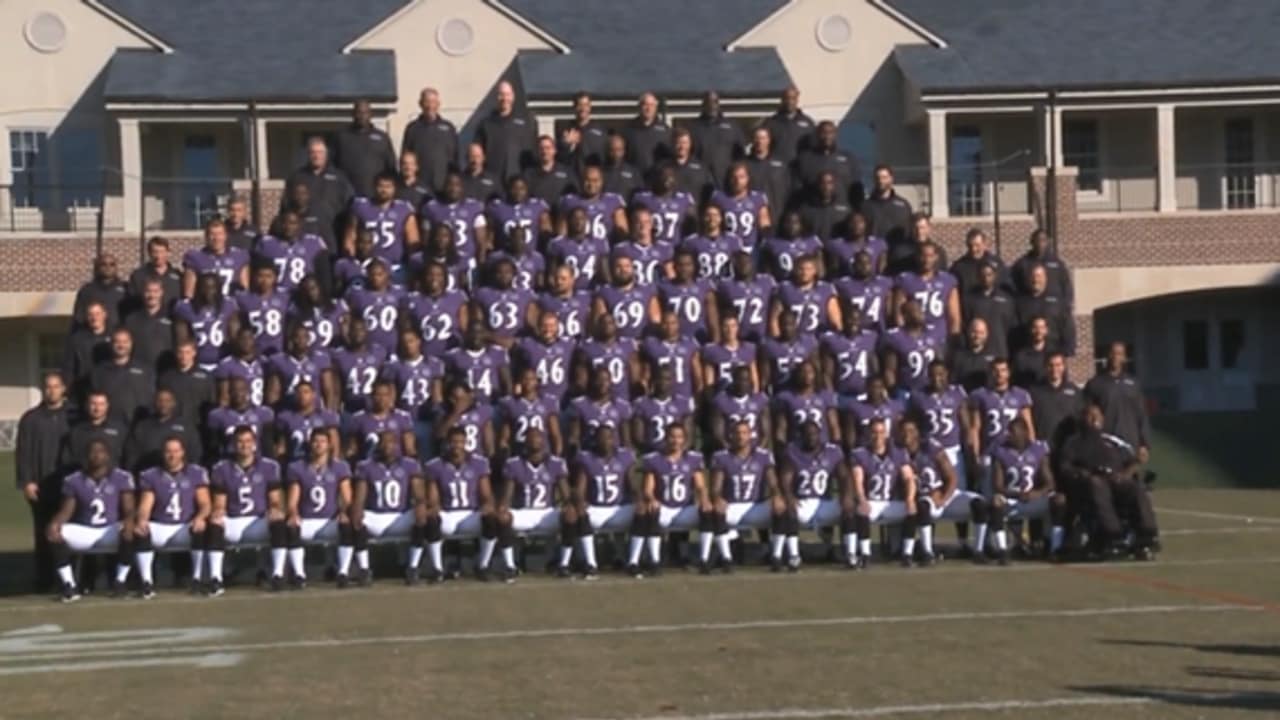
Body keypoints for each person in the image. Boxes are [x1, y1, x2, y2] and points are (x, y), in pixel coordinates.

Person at [1058, 403, 1159, 560]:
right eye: (1090, 416)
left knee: (1137, 488)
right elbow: (1065, 467)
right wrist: (1084, 474)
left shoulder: (1112, 441)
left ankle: (1147, 534)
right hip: (1091, 482)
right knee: (1098, 485)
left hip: (1116, 479)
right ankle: (1113, 534)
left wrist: (1126, 472)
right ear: (1083, 419)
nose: (1094, 419)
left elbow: (1132, 462)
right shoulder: (1074, 443)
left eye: (1097, 415)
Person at [45, 440, 136, 602]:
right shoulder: (74, 480)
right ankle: (69, 585)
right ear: (86, 456)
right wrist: (55, 523)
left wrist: (129, 521)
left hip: (110, 531)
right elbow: (66, 511)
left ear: (107, 455)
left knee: (132, 529)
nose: (96, 455)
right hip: (85, 530)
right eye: (92, 452)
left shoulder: (121, 477)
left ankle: (120, 582)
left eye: (100, 451)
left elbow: (129, 508)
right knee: (55, 532)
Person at [899, 418, 989, 565]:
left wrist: (943, 497)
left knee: (979, 503)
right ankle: (927, 552)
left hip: (944, 495)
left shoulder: (930, 446)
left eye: (910, 431)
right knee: (923, 506)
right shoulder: (897, 453)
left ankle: (979, 550)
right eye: (903, 431)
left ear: (917, 433)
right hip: (923, 499)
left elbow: (952, 477)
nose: (906, 435)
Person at [342, 431, 426, 587]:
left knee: (422, 517)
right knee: (355, 518)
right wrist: (357, 511)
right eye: (385, 442)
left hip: (401, 516)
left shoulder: (410, 465)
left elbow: (419, 494)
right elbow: (360, 497)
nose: (389, 446)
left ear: (398, 445)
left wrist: (420, 507)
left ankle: (413, 567)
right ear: (378, 445)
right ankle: (364, 569)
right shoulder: (365, 466)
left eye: (392, 442)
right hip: (376, 515)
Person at [15, 372, 72, 593]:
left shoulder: (73, 416)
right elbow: (23, 453)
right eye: (48, 387)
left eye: (56, 386)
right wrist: (27, 481)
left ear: (63, 389)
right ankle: (44, 579)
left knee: (68, 532)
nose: (52, 391)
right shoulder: (31, 419)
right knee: (43, 533)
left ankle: (70, 578)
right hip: (41, 486)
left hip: (68, 486)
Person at [133, 437, 211, 598]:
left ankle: (197, 578)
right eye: (168, 451)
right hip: (161, 525)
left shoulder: (195, 473)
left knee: (202, 528)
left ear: (182, 452)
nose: (172, 455)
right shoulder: (152, 475)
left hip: (185, 526)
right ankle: (146, 582)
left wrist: (200, 517)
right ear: (163, 454)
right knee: (141, 531)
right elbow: (145, 505)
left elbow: (205, 503)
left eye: (176, 451)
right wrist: (142, 520)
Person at [632, 424, 706, 576]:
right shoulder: (654, 459)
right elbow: (647, 489)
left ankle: (705, 560)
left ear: (684, 439)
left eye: (679, 437)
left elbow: (700, 486)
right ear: (666, 438)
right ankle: (654, 561)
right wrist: (652, 499)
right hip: (664, 507)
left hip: (685, 508)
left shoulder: (692, 459)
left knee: (709, 512)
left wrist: (704, 499)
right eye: (672, 436)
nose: (675, 440)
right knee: (650, 511)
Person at [423, 427, 496, 581]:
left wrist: (487, 505)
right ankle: (438, 569)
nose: (457, 445)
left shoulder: (478, 463)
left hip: (471, 513)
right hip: (448, 514)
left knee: (491, 519)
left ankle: (483, 565)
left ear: (466, 443)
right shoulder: (435, 465)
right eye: (454, 442)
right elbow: (433, 496)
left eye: (461, 442)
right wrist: (434, 507)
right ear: (447, 443)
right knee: (431, 520)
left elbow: (486, 493)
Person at [282, 430, 352, 588]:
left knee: (348, 524)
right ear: (310, 444)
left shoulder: (339, 467)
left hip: (330, 521)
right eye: (315, 441)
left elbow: (347, 498)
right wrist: (293, 513)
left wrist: (344, 512)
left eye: (322, 441)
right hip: (307, 520)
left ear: (329, 445)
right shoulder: (297, 467)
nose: (319, 444)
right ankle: (299, 574)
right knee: (291, 527)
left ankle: (343, 572)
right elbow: (292, 501)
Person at [990, 416, 1066, 562]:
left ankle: (1056, 548)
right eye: (1009, 431)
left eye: (1013, 431)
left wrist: (1036, 493)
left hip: (1034, 499)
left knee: (1059, 500)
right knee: (996, 502)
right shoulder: (1000, 452)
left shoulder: (1038, 450)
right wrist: (1016, 494)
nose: (1009, 435)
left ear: (1025, 432)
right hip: (1013, 500)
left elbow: (1050, 483)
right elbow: (997, 486)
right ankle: (1003, 551)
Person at [843, 418, 915, 568]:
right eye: (874, 432)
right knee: (861, 512)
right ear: (869, 434)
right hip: (872, 502)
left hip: (891, 502)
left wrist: (909, 499)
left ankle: (907, 554)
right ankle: (865, 554)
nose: (878, 436)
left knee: (913, 511)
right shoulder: (860, 454)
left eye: (881, 432)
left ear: (887, 434)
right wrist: (862, 499)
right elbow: (858, 479)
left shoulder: (899, 453)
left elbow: (909, 478)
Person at [500, 428, 571, 578]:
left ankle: (563, 564)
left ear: (544, 441)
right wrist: (503, 507)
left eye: (538, 437)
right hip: (523, 512)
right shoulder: (514, 463)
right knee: (503, 517)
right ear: (524, 442)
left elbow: (566, 495)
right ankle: (510, 565)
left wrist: (569, 506)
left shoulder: (556, 463)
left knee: (571, 515)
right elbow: (507, 495)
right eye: (530, 438)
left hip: (547, 512)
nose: (534, 441)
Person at [778, 421, 845, 568]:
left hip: (824, 501)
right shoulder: (792, 453)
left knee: (849, 508)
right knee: (786, 509)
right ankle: (793, 554)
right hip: (802, 502)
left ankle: (846, 551)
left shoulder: (832, 452)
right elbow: (785, 479)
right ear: (800, 436)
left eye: (814, 434)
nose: (811, 437)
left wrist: (846, 495)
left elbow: (844, 476)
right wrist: (789, 496)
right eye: (807, 434)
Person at [710, 420, 775, 562]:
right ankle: (724, 555)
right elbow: (715, 488)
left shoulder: (763, 456)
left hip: (756, 506)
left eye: (745, 433)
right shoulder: (721, 457)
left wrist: (777, 496)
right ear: (731, 435)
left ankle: (777, 553)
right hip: (731, 505)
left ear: (751, 435)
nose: (741, 436)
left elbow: (773, 483)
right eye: (737, 433)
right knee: (712, 510)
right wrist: (716, 498)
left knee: (781, 508)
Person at [967, 358, 1035, 495]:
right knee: (989, 496)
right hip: (990, 452)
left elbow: (1028, 425)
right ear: (990, 373)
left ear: (1009, 373)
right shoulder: (980, 395)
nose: (999, 374)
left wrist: (1032, 450)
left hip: (1015, 453)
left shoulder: (1020, 395)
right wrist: (975, 456)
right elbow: (975, 427)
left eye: (1003, 370)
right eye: (995, 371)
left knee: (1019, 492)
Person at [1084, 341, 1152, 463]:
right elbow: (1087, 415)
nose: (1116, 357)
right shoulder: (1095, 384)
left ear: (1125, 358)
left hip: (1130, 442)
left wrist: (1144, 444)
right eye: (1113, 353)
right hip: (1105, 443)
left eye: (1120, 354)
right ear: (1107, 355)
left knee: (1129, 480)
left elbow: (1141, 415)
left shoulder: (1133, 384)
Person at [382, 327, 445, 453]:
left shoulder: (432, 364)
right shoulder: (395, 366)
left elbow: (437, 394)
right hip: (404, 418)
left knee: (427, 454)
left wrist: (437, 415)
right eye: (404, 342)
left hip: (425, 419)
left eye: (410, 341)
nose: (407, 345)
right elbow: (392, 396)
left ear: (418, 341)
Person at [573, 425, 636, 541]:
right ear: (595, 440)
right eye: (601, 438)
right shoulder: (587, 458)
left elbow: (632, 485)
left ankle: (638, 558)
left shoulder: (624, 457)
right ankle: (588, 558)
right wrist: (580, 501)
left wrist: (640, 499)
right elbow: (580, 489)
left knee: (644, 510)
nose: (605, 441)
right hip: (595, 508)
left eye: (609, 437)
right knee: (576, 512)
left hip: (619, 508)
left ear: (614, 439)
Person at [350, 172, 420, 275]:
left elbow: (413, 241)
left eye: (388, 187)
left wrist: (412, 265)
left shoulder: (403, 209)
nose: (384, 190)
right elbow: (350, 236)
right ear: (374, 187)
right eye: (380, 186)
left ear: (395, 188)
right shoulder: (361, 206)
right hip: (367, 265)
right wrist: (353, 261)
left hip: (395, 266)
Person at [421, 172, 490, 270]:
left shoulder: (473, 207)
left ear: (462, 187)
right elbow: (426, 241)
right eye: (450, 184)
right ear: (444, 186)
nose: (453, 189)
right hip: (440, 262)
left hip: (468, 262)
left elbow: (481, 242)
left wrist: (481, 265)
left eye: (457, 185)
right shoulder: (431, 208)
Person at [893, 241, 960, 342]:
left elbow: (954, 316)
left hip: (939, 336)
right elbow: (899, 314)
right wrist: (905, 337)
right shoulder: (906, 280)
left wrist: (954, 339)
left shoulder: (947, 280)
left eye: (930, 256)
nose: (926, 260)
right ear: (917, 256)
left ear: (936, 257)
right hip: (914, 334)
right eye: (923, 256)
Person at [172, 272, 241, 371]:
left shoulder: (228, 305)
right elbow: (182, 341)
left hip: (222, 362)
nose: (209, 291)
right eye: (205, 287)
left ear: (219, 288)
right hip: (197, 364)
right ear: (198, 288)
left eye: (213, 287)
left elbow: (235, 337)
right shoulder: (185, 307)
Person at [124, 387, 203, 473]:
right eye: (160, 400)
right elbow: (132, 454)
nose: (163, 404)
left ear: (174, 403)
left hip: (180, 477)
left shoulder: (186, 426)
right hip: (149, 477)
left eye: (168, 401)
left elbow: (195, 453)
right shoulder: (142, 426)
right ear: (154, 403)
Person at [821, 303, 879, 417]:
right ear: (843, 319)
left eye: (857, 319)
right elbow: (827, 373)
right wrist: (832, 395)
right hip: (843, 395)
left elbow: (874, 367)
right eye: (850, 319)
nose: (853, 322)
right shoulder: (834, 341)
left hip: (864, 395)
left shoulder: (869, 338)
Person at [474, 80, 537, 183]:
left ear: (513, 97)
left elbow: (532, 151)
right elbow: (478, 152)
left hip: (518, 181)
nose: (504, 98)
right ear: (496, 97)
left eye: (507, 95)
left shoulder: (525, 123)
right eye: (501, 95)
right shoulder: (485, 124)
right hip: (493, 178)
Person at [401, 261, 469, 356]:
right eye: (430, 274)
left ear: (445, 278)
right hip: (425, 355)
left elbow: (464, 328)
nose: (434, 278)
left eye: (439, 275)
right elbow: (407, 330)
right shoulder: (413, 299)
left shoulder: (457, 297)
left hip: (452, 354)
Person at [1031, 352, 1084, 472]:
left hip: (1069, 451)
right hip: (1044, 450)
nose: (1054, 369)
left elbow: (1081, 420)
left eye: (1058, 365)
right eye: (1051, 365)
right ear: (1045, 367)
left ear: (1063, 367)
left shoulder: (1074, 392)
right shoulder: (1034, 392)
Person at [400, 87, 458, 195]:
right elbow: (405, 157)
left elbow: (455, 158)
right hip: (420, 187)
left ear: (438, 104)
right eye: (427, 102)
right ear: (420, 104)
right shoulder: (413, 128)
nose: (430, 106)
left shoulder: (448, 128)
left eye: (433, 102)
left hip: (443, 187)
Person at [265, 324, 338, 410]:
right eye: (297, 337)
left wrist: (328, 415)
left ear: (309, 339)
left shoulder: (320, 359)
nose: (301, 340)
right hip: (289, 410)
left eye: (304, 337)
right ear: (291, 339)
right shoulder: (279, 361)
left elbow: (329, 391)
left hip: (314, 411)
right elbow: (274, 393)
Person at [880, 299, 944, 396]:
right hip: (907, 392)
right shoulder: (895, 337)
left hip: (929, 392)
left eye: (920, 310)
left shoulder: (932, 333)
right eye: (916, 310)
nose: (921, 313)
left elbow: (940, 363)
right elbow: (890, 371)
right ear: (905, 316)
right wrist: (894, 393)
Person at [259, 208, 331, 294]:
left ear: (300, 225)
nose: (288, 227)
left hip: (304, 295)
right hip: (278, 295)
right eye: (285, 223)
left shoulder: (312, 242)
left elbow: (323, 273)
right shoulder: (267, 243)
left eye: (293, 223)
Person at [513, 311, 575, 408]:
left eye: (552, 326)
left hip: (563, 399)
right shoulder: (529, 344)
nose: (548, 329)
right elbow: (510, 344)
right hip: (538, 400)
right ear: (538, 327)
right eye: (544, 325)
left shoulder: (568, 344)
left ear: (558, 327)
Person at [772, 359, 840, 447]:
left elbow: (833, 424)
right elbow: (781, 426)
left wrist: (836, 443)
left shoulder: (825, 396)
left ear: (815, 374)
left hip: (822, 446)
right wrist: (781, 446)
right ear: (797, 375)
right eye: (803, 372)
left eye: (810, 372)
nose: (806, 375)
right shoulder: (786, 397)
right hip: (797, 446)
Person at [632, 365, 697, 455]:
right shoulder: (642, 404)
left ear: (673, 381)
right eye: (660, 378)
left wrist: (677, 454)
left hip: (677, 454)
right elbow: (638, 437)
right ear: (654, 380)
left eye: (667, 379)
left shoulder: (682, 403)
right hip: (652, 452)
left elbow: (689, 437)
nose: (663, 382)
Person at [497, 366, 562, 457]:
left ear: (536, 381)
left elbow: (555, 435)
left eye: (531, 379)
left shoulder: (547, 403)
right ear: (520, 381)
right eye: (525, 379)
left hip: (542, 454)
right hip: (519, 453)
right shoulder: (512, 404)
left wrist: (556, 455)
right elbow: (504, 437)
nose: (528, 382)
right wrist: (504, 451)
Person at [206, 377, 275, 462]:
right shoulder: (217, 415)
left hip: (256, 462)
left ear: (248, 391)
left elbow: (267, 444)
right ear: (229, 392)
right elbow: (213, 446)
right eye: (234, 390)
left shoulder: (262, 414)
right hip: (229, 462)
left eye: (241, 390)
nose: (238, 393)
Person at [593, 254, 661, 340]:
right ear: (612, 270)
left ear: (633, 268)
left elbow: (655, 321)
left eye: (627, 266)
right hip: (617, 345)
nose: (623, 270)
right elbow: (600, 322)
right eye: (619, 266)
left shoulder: (647, 290)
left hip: (642, 342)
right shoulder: (605, 292)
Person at [657, 249, 719, 342]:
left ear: (694, 266)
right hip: (675, 340)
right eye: (680, 265)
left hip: (700, 338)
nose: (684, 269)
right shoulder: (664, 287)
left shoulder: (704, 286)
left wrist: (715, 342)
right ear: (674, 266)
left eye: (688, 265)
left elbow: (712, 319)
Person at [344, 379, 414, 461]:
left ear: (390, 396)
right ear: (372, 396)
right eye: (378, 395)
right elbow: (353, 448)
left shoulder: (402, 417)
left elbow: (409, 449)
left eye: (385, 395)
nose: (382, 399)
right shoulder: (358, 418)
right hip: (369, 466)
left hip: (396, 465)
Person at [471, 256, 536, 344]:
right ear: (493, 274)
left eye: (507, 272)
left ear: (514, 274)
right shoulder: (483, 294)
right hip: (492, 342)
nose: (503, 276)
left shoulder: (525, 294)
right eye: (499, 272)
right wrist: (495, 339)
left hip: (518, 343)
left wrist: (518, 342)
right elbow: (478, 322)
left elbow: (533, 323)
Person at [793, 120, 861, 204]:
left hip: (843, 212)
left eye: (830, 132)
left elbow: (856, 189)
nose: (827, 136)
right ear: (817, 135)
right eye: (823, 132)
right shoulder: (805, 159)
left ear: (835, 134)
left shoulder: (848, 159)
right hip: (813, 210)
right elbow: (796, 189)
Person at [771, 255, 840, 336]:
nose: (805, 273)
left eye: (809, 269)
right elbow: (775, 318)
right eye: (801, 269)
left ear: (815, 270)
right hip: (794, 338)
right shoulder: (785, 288)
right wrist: (777, 339)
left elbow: (835, 319)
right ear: (795, 270)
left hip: (818, 337)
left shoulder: (825, 289)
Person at [1015, 264, 1075, 356]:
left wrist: (1068, 349)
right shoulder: (1021, 303)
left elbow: (1067, 325)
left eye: (1039, 276)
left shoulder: (1057, 302)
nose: (1036, 280)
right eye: (1033, 276)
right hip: (1028, 353)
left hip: (1054, 352)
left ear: (1045, 278)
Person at [569, 367, 634, 452]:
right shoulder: (580, 405)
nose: (603, 383)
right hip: (589, 455)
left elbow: (625, 440)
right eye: (599, 379)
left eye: (606, 380)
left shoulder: (621, 406)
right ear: (592, 381)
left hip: (613, 456)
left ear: (610, 382)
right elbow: (574, 437)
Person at [274, 380, 341, 464]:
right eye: (299, 393)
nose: (302, 396)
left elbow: (334, 444)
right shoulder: (286, 418)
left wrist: (334, 464)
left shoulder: (326, 417)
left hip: (321, 464)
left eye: (306, 392)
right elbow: (282, 446)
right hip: (296, 463)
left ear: (313, 394)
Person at [557, 165, 627, 243]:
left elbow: (623, 233)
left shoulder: (612, 200)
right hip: (576, 249)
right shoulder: (570, 201)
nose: (591, 184)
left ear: (602, 181)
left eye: (595, 180)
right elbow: (561, 236)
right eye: (588, 180)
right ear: (581, 181)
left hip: (606, 251)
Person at [183, 218, 251, 299]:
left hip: (231, 307)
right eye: (212, 234)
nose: (216, 238)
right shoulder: (195, 257)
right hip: (205, 306)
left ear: (225, 236)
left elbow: (245, 289)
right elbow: (189, 293)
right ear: (206, 236)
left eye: (219, 234)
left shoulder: (239, 255)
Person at [690, 91, 744, 191]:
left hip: (726, 183)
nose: (711, 105)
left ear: (719, 104)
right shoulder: (693, 128)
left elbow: (740, 156)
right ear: (703, 105)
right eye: (708, 102)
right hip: (700, 183)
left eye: (714, 101)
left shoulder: (732, 127)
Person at [443, 324, 510, 403]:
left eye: (479, 332)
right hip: (466, 406)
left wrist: (505, 402)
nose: (476, 335)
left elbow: (506, 382)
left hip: (492, 404)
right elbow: (447, 383)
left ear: (485, 334)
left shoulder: (496, 352)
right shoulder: (454, 356)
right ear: (466, 334)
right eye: (472, 332)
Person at [158, 339, 216, 431]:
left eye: (187, 352)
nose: (184, 356)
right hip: (173, 426)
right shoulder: (167, 377)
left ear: (194, 353)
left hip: (199, 427)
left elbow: (212, 402)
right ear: (176, 354)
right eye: (180, 352)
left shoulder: (206, 377)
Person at [710, 162, 770, 250]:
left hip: (751, 248)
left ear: (748, 178)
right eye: (734, 177)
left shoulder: (757, 198)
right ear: (729, 179)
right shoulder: (719, 198)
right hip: (727, 247)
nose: (737, 181)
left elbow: (764, 224)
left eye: (741, 177)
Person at [962, 261, 1016, 359]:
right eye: (983, 275)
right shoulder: (969, 299)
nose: (986, 278)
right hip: (976, 353)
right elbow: (965, 325)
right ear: (978, 276)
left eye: (989, 274)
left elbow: (1012, 328)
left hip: (1000, 351)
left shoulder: (1006, 300)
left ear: (995, 275)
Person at [709, 366, 770, 451]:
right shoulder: (721, 401)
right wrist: (733, 452)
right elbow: (718, 435)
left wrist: (757, 452)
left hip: (755, 448)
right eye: (740, 379)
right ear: (733, 380)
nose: (743, 383)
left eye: (746, 380)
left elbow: (766, 434)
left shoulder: (760, 400)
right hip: (730, 450)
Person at [631, 164, 696, 245]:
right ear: (657, 178)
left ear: (676, 178)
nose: (667, 179)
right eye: (664, 175)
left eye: (670, 176)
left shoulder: (684, 199)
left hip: (675, 247)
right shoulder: (643, 198)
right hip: (652, 246)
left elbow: (694, 225)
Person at [63, 300, 112, 406]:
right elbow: (69, 367)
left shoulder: (114, 338)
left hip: (108, 388)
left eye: (97, 314)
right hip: (83, 390)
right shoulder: (77, 340)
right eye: (91, 314)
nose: (94, 318)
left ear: (105, 315)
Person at [61, 391, 126, 470]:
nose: (97, 408)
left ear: (107, 406)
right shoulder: (76, 432)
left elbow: (127, 457)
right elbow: (67, 461)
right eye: (93, 404)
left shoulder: (119, 430)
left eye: (101, 404)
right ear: (87, 405)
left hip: (113, 479)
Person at [237, 261, 290, 357]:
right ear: (254, 277)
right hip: (254, 352)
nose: (264, 280)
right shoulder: (243, 298)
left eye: (268, 276)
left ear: (275, 278)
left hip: (277, 351)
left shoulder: (284, 297)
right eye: (260, 276)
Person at [759, 309, 818, 393]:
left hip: (802, 391)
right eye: (784, 325)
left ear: (795, 324)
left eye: (790, 324)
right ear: (779, 325)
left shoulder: (808, 343)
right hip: (780, 390)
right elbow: (765, 376)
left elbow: (816, 370)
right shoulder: (769, 346)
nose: (787, 328)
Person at [490, 175, 552, 254]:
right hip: (505, 255)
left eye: (522, 188)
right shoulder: (497, 207)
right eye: (514, 188)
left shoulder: (537, 206)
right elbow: (490, 234)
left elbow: (546, 232)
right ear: (508, 189)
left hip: (531, 255)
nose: (518, 192)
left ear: (527, 190)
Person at [702, 312, 761, 395]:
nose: (730, 330)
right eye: (726, 326)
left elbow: (754, 380)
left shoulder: (748, 349)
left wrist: (753, 397)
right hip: (722, 396)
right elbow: (709, 383)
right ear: (721, 328)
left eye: (733, 326)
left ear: (737, 327)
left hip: (743, 396)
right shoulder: (712, 350)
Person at [834, 251, 893, 332]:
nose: (864, 266)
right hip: (855, 330)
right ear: (854, 265)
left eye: (867, 263)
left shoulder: (884, 283)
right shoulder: (842, 285)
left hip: (877, 330)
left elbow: (889, 309)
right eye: (860, 263)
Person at [614, 207, 673, 287]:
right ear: (632, 224)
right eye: (638, 222)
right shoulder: (622, 249)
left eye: (646, 222)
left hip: (658, 293)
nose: (643, 226)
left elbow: (671, 277)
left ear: (652, 224)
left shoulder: (664, 248)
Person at [124, 278, 175, 372]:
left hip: (165, 371)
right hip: (140, 372)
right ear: (143, 293)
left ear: (161, 292)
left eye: (155, 291)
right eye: (148, 291)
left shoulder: (172, 318)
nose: (151, 295)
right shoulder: (131, 320)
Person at [681, 204, 743, 281]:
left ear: (721, 218)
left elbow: (740, 264)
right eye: (708, 215)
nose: (712, 218)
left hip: (725, 285)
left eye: (715, 215)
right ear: (702, 218)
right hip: (701, 285)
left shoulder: (733, 240)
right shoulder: (691, 241)